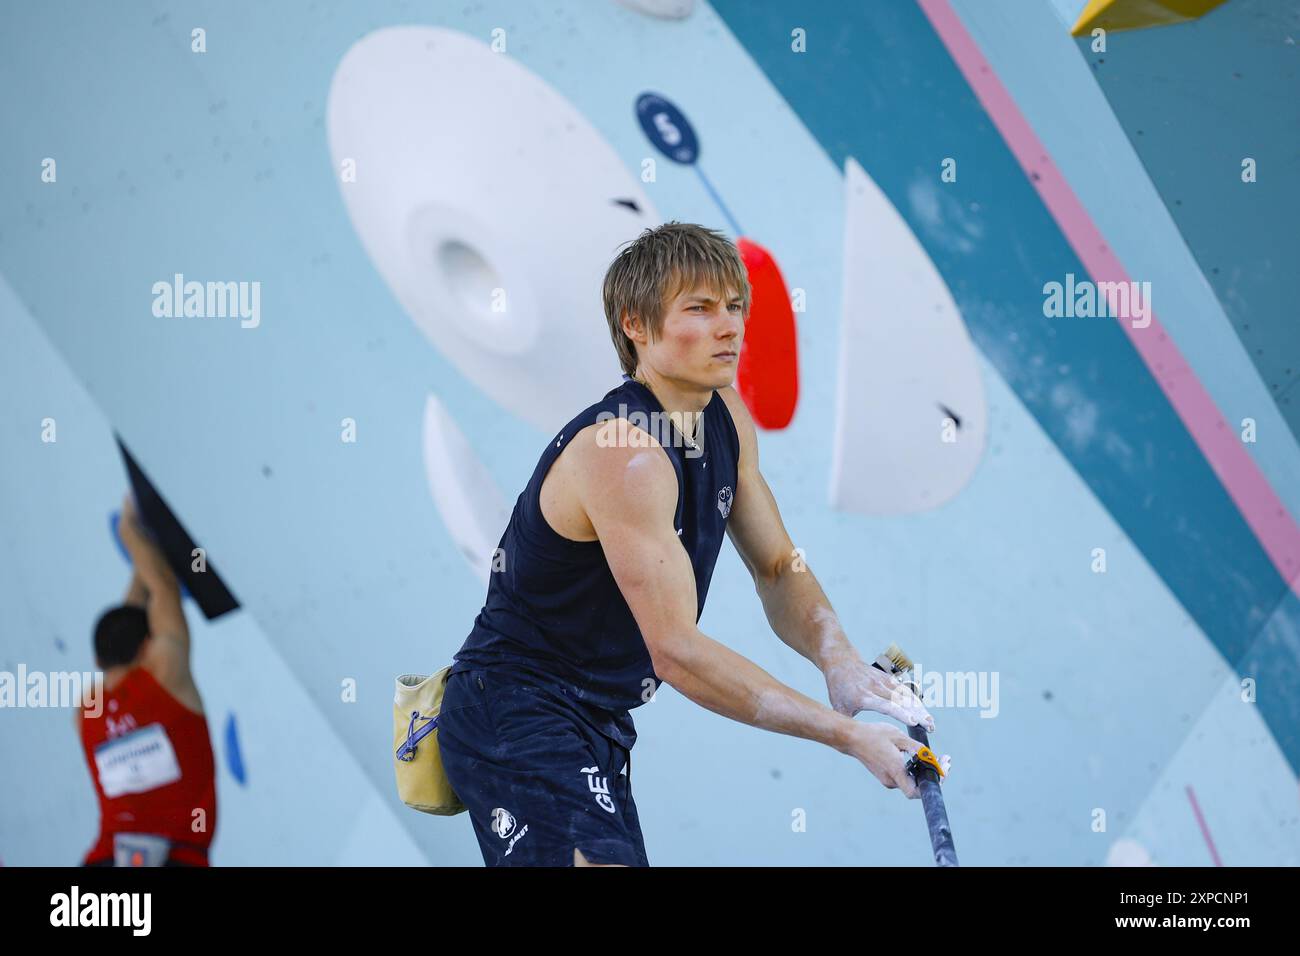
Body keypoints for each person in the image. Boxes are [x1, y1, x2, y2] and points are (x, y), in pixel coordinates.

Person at [438, 222, 951, 867]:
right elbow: (676, 652)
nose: (729, 327)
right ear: (636, 324)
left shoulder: (726, 415)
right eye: (701, 309)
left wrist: (839, 661)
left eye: (735, 306)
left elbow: (777, 567)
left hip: (598, 724)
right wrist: (849, 738)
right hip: (512, 707)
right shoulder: (622, 453)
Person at [78, 494, 217, 866]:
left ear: (98, 660)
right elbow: (164, 589)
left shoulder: (86, 712)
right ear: (148, 646)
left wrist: (143, 561)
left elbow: (127, 631)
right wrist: (131, 530)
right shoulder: (165, 672)